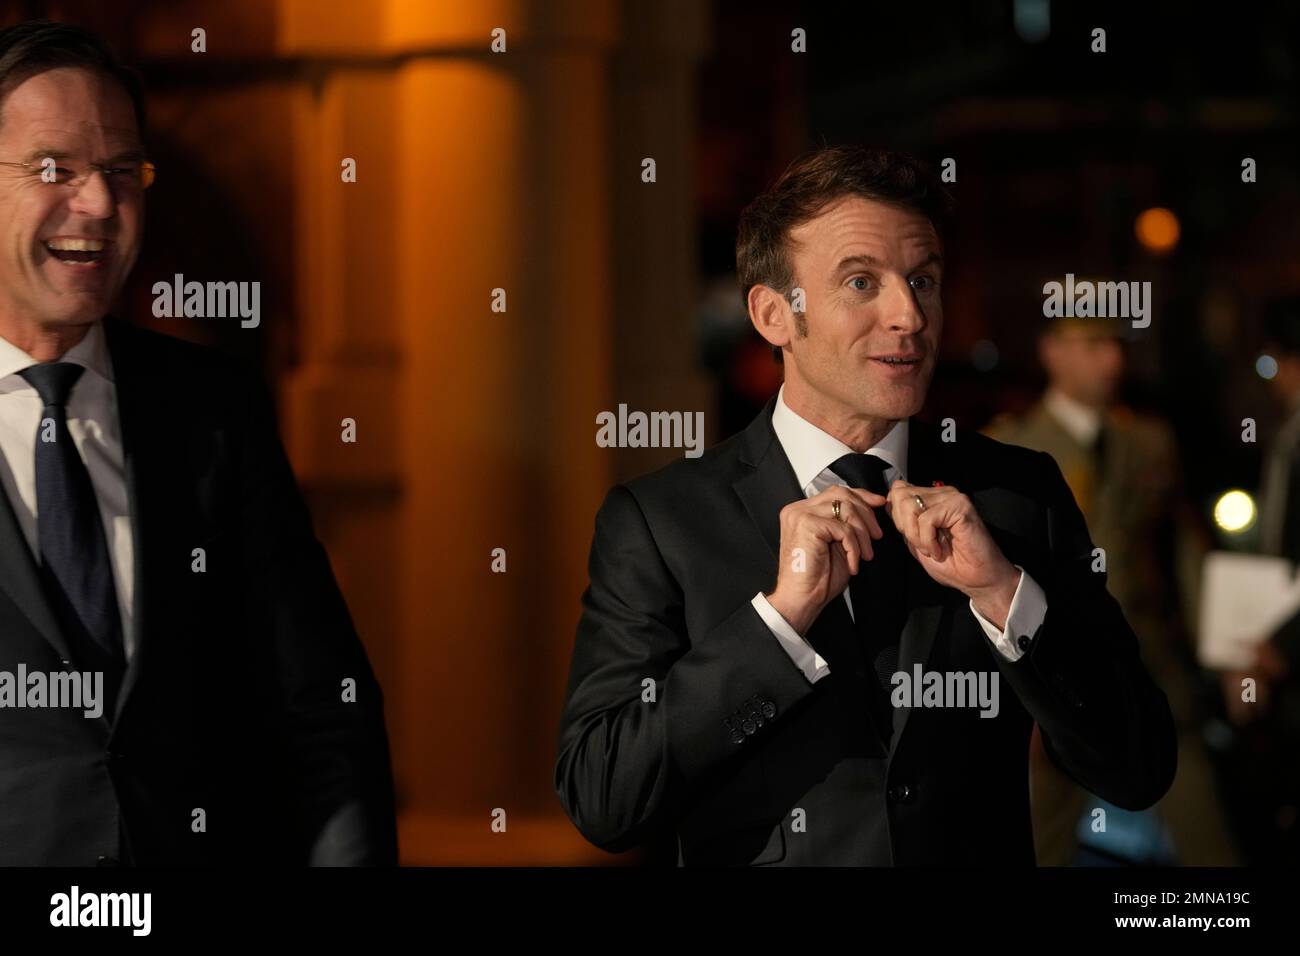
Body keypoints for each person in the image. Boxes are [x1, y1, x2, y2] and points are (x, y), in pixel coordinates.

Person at [554, 144, 1176, 865]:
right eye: (861, 282)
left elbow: (1138, 767)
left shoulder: (1018, 495)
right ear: (773, 314)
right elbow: (603, 796)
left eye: (923, 280)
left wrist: (1005, 595)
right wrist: (778, 622)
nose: (909, 314)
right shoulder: (661, 522)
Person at [0, 20, 396, 865]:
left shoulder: (213, 412)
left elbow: (324, 712)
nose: (101, 204)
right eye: (54, 169)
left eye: (120, 171)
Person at [985, 317, 1238, 865]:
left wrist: (1226, 651)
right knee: (1037, 837)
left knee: (1204, 825)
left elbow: (1184, 555)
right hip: (1052, 670)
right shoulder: (1010, 446)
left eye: (1118, 346)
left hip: (1150, 657)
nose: (1112, 362)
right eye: (1093, 345)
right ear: (1052, 352)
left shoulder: (1149, 440)